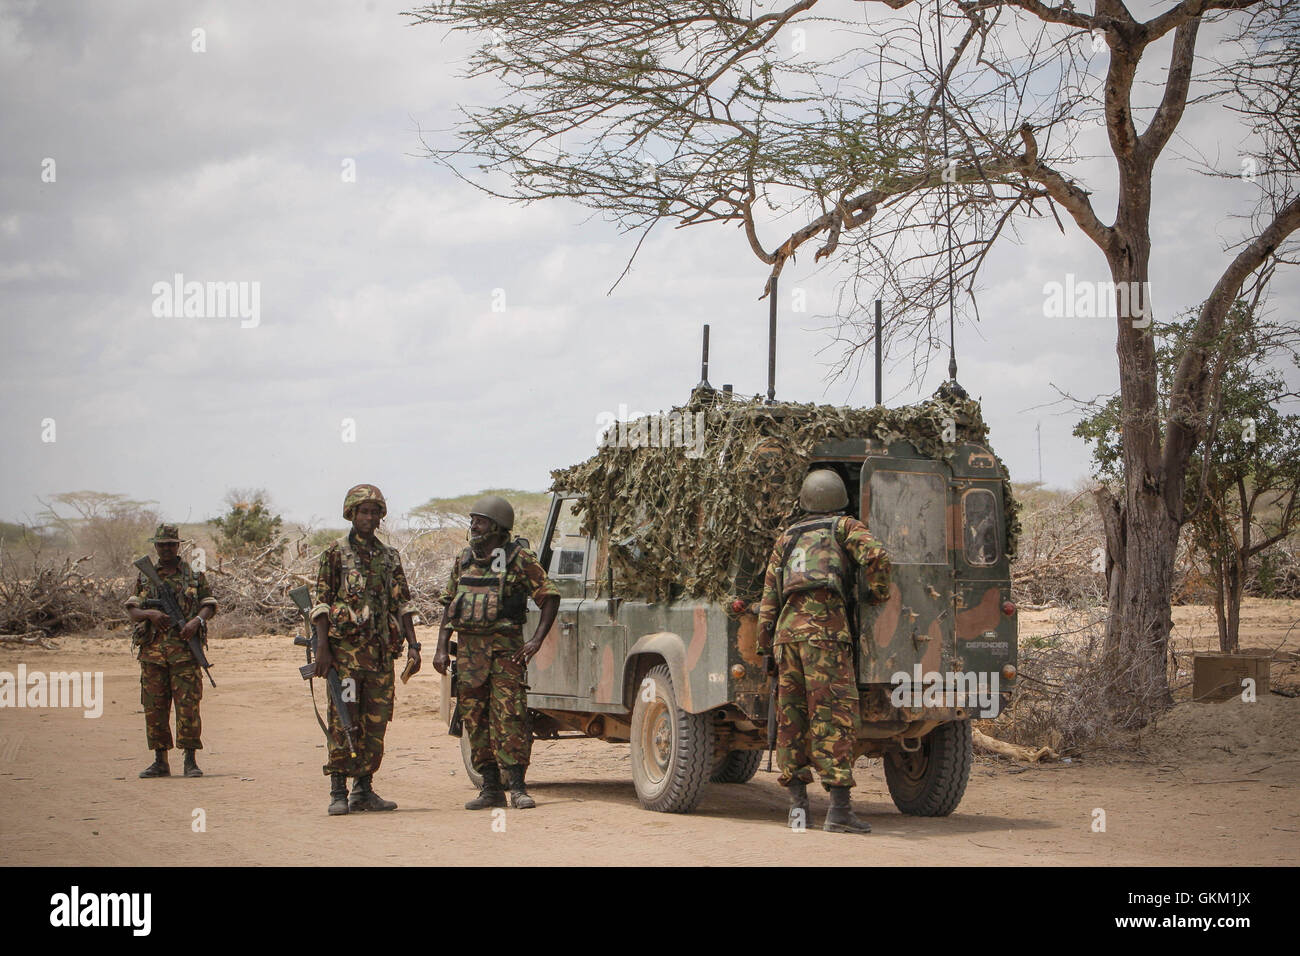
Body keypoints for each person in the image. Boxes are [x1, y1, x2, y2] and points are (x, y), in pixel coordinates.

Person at [757, 469, 892, 834]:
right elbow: (877, 556)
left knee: (791, 721)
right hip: (826, 636)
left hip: (787, 638)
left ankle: (798, 811)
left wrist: (764, 645)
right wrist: (877, 594)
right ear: (839, 499)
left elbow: (769, 596)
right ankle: (839, 811)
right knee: (833, 718)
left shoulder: (786, 538)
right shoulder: (844, 527)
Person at [432, 495, 559, 810]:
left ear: (499, 527)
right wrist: (440, 648)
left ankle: (517, 787)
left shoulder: (519, 558)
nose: (474, 527)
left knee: (510, 718)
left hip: (506, 655)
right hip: (469, 656)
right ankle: (490, 788)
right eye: (472, 521)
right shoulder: (464, 560)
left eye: (481, 521)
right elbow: (450, 605)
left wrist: (537, 640)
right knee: (474, 718)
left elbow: (549, 596)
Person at [310, 483, 420, 815]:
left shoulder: (389, 557)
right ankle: (338, 791)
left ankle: (364, 789)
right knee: (344, 719)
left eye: (375, 512)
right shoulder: (335, 553)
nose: (369, 517)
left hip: (381, 656)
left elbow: (402, 605)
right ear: (351, 514)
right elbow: (321, 604)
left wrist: (414, 646)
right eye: (363, 511)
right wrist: (323, 649)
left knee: (375, 722)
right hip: (344, 656)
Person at [124, 524, 217, 779]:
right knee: (155, 707)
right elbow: (132, 610)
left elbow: (209, 603)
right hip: (153, 654)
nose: (166, 549)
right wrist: (150, 614)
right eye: (162, 544)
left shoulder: (193, 575)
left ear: (178, 546)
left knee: (188, 707)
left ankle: (190, 760)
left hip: (185, 653)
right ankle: (160, 760)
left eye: (171, 544)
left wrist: (195, 622)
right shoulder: (145, 576)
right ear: (155, 546)